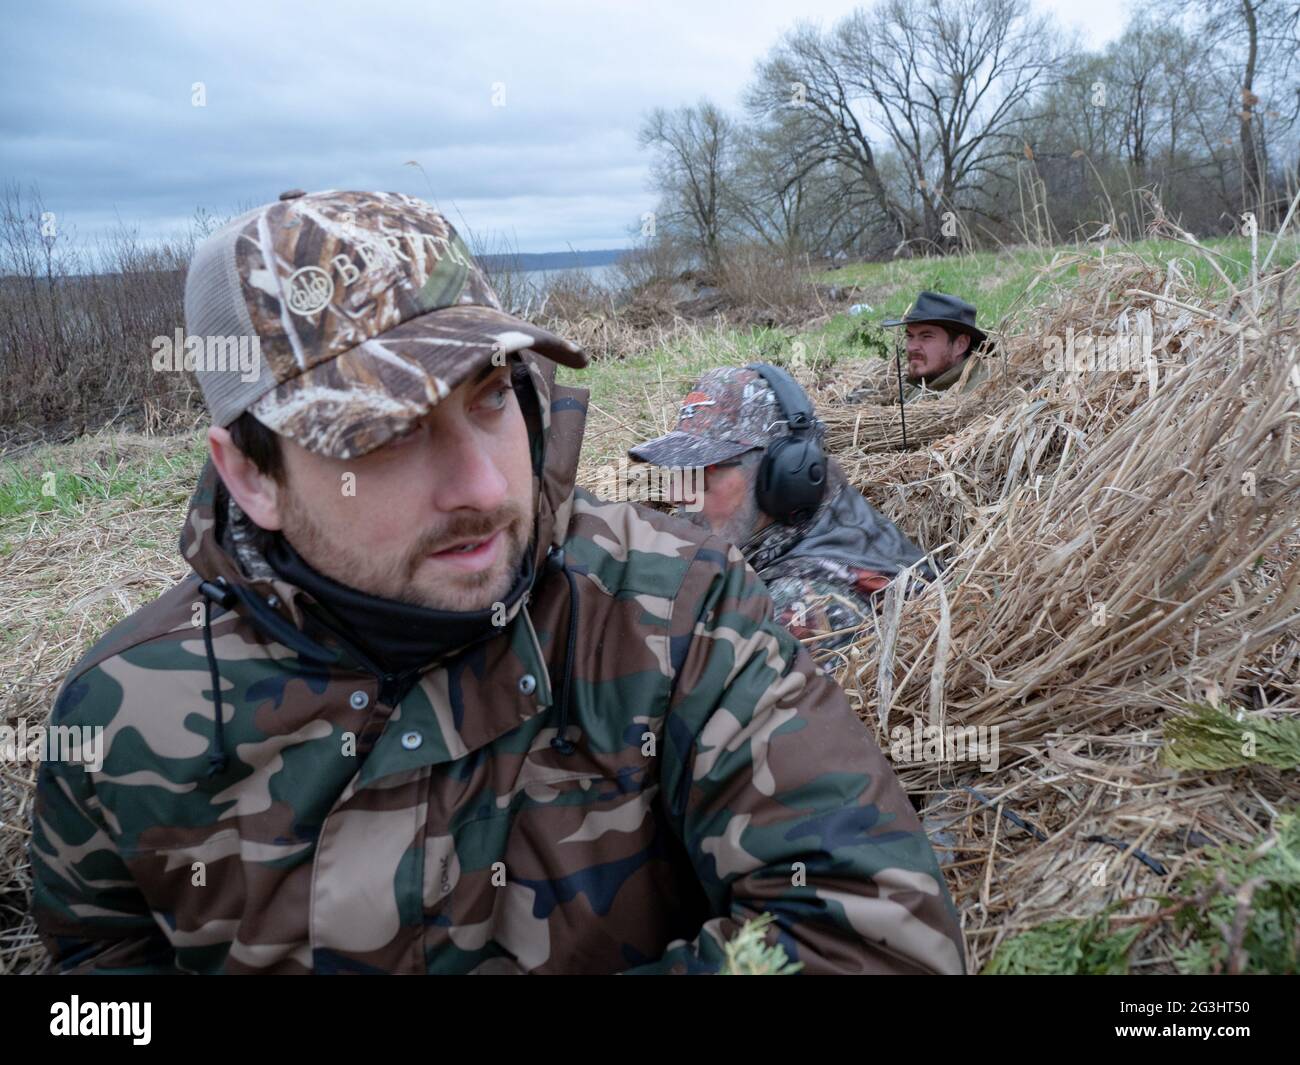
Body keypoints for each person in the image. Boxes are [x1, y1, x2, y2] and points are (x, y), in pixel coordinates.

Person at [29, 189, 964, 975]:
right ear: (251, 476)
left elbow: (881, 934)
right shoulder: (120, 719)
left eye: (489, 397)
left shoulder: (677, 615)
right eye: (384, 434)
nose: (482, 486)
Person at [628, 365, 934, 651]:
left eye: (703, 473)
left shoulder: (801, 607)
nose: (674, 493)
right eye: (678, 471)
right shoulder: (837, 524)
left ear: (782, 476)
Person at [882, 291, 992, 403]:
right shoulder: (929, 382)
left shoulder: (980, 396)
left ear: (960, 344)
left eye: (926, 336)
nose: (912, 347)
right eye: (910, 336)